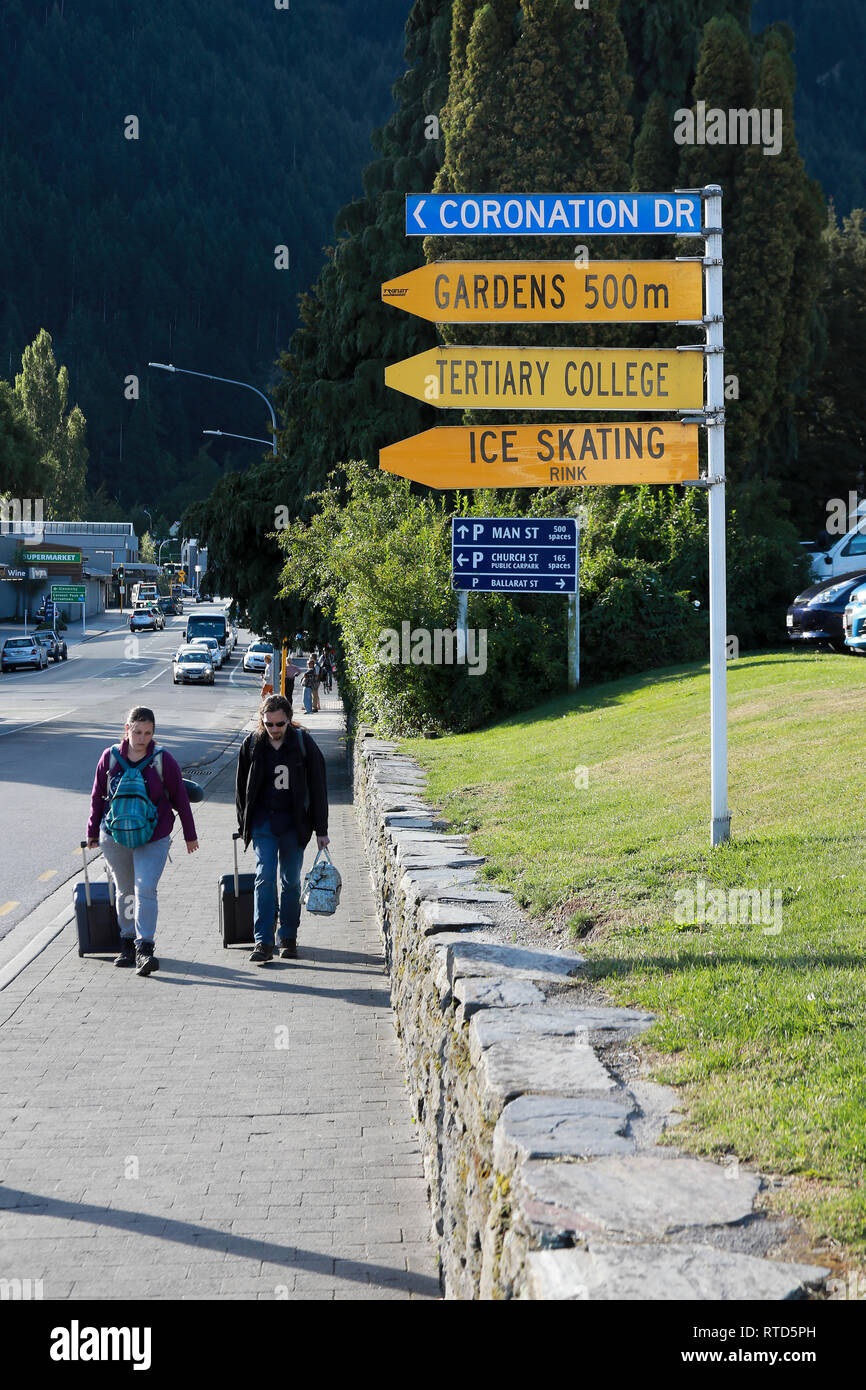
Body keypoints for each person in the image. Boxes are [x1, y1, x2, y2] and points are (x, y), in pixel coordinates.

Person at [86, 706, 199, 975]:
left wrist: (189, 834)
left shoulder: (163, 760)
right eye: (137, 731)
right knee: (125, 890)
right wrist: (91, 831)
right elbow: (97, 795)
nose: (141, 738)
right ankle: (126, 944)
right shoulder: (110, 757)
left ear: (153, 733)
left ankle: (144, 948)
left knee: (145, 887)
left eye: (147, 733)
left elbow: (181, 798)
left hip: (155, 834)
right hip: (115, 835)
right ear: (127, 729)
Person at [235, 694, 329, 964]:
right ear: (262, 722)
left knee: (291, 881)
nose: (274, 730)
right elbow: (241, 788)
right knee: (264, 877)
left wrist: (321, 829)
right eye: (269, 724)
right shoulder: (252, 744)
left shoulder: (303, 743)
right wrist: (244, 824)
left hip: (294, 823)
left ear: (289, 720)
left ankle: (288, 936)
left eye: (280, 724)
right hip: (263, 822)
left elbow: (319, 787)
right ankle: (263, 941)